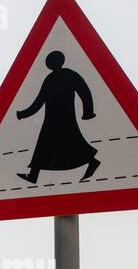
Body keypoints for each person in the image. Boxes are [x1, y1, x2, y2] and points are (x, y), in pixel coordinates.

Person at [14, 51, 100, 183]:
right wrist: (23, 114)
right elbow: (39, 101)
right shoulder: (51, 78)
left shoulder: (67, 75)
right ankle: (33, 175)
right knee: (47, 144)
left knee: (71, 141)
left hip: (64, 117)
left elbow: (84, 91)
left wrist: (88, 112)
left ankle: (92, 162)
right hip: (52, 119)